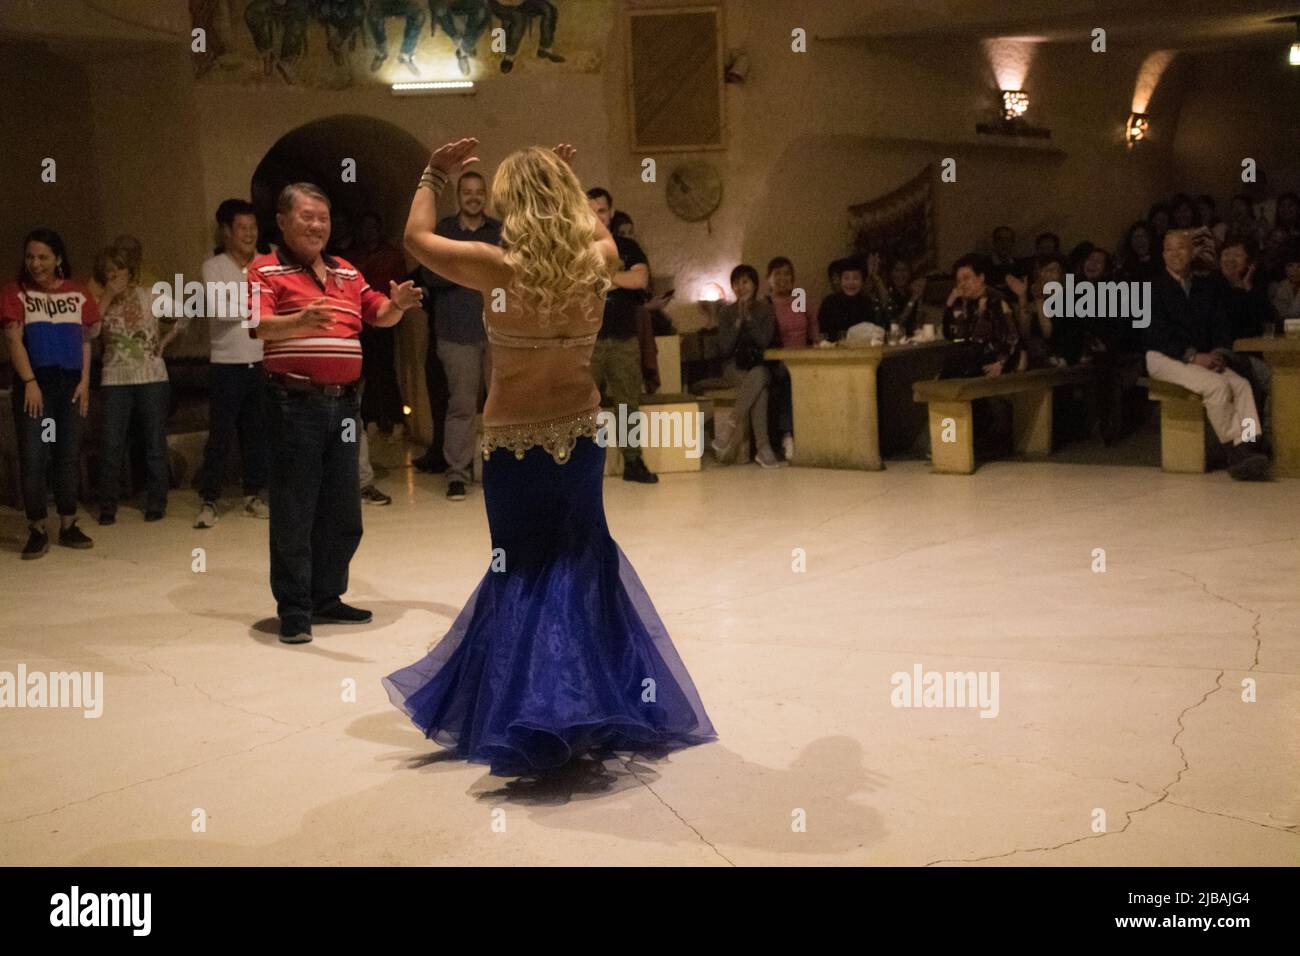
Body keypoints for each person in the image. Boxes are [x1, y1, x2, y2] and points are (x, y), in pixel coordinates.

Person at [385, 139, 715, 776]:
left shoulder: (494, 267)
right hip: (581, 438)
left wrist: (433, 172)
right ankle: (588, 703)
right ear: (567, 201)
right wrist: (568, 172)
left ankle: (536, 712)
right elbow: (594, 225)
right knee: (580, 565)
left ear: (511, 207)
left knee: (523, 572)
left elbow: (416, 237)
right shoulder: (600, 259)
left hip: (514, 446)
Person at [248, 182, 422, 643]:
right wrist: (299, 322)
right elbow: (257, 324)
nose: (316, 225)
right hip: (293, 404)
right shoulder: (265, 269)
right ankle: (295, 609)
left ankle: (328, 597)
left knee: (343, 509)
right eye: (306, 216)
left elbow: (378, 313)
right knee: (295, 508)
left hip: (345, 405)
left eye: (322, 218)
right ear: (283, 222)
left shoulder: (346, 271)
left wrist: (398, 306)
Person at [2, 229, 100, 558]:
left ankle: (68, 523)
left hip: (69, 383)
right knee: (34, 455)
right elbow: (14, 341)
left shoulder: (77, 292)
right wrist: (30, 382)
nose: (35, 263)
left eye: (43, 257)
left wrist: (85, 381)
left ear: (58, 259)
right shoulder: (17, 293)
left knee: (67, 455)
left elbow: (86, 340)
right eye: (30, 257)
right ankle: (37, 528)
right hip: (37, 384)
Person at [1145, 230, 1268, 481]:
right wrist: (1192, 356)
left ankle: (1247, 443)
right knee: (1218, 387)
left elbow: (1219, 323)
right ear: (1163, 254)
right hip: (1163, 356)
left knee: (1241, 385)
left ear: (1192, 252)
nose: (1175, 254)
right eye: (1169, 249)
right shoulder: (1152, 288)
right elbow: (1156, 332)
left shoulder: (1203, 287)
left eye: (1181, 248)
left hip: (1200, 356)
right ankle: (1236, 454)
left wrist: (1218, 351)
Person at [417, 171, 501, 501]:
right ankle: (457, 473)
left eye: (479, 192)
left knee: (500, 408)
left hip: (498, 333)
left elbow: (511, 274)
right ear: (459, 196)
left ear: (486, 195)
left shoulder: (501, 232)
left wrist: (458, 266)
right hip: (455, 334)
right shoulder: (444, 231)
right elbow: (429, 275)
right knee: (462, 406)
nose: (474, 197)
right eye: (468, 192)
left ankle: (500, 470)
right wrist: (479, 268)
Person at [196, 199, 271, 529]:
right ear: (226, 232)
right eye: (242, 228)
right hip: (227, 364)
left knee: (257, 433)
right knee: (221, 435)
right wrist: (256, 302)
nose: (249, 234)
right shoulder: (214, 267)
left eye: (253, 228)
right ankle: (209, 499)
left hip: (262, 359)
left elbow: (276, 303)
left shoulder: (267, 262)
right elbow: (219, 308)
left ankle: (253, 494)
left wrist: (245, 300)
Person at [93, 246, 178, 524]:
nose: (114, 274)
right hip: (113, 378)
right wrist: (107, 295)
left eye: (119, 268)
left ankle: (156, 501)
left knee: (154, 441)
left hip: (152, 376)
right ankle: (107, 506)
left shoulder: (150, 295)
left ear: (130, 271)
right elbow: (90, 330)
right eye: (108, 270)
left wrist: (165, 341)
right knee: (111, 443)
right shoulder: (97, 299)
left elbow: (185, 313)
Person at [586, 187, 657, 483]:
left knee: (628, 402)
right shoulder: (576, 248)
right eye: (590, 211)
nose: (596, 216)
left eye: (601, 210)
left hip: (624, 337)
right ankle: (582, 466)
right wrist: (619, 281)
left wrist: (606, 279)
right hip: (587, 340)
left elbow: (640, 279)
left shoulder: (628, 247)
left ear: (611, 213)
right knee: (583, 405)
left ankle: (633, 461)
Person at [712, 264, 780, 467]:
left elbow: (764, 341)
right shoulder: (726, 313)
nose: (741, 287)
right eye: (736, 283)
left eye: (745, 282)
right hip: (734, 367)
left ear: (754, 284)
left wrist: (749, 320)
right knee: (760, 389)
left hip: (760, 364)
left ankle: (730, 426)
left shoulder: (766, 309)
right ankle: (763, 449)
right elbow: (724, 348)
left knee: (759, 375)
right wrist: (737, 323)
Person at [816, 257, 876, 342]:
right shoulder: (829, 302)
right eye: (846, 278)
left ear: (862, 281)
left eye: (856, 278)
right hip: (833, 351)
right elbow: (823, 333)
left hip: (862, 350)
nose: (851, 283)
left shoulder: (867, 303)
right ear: (840, 281)